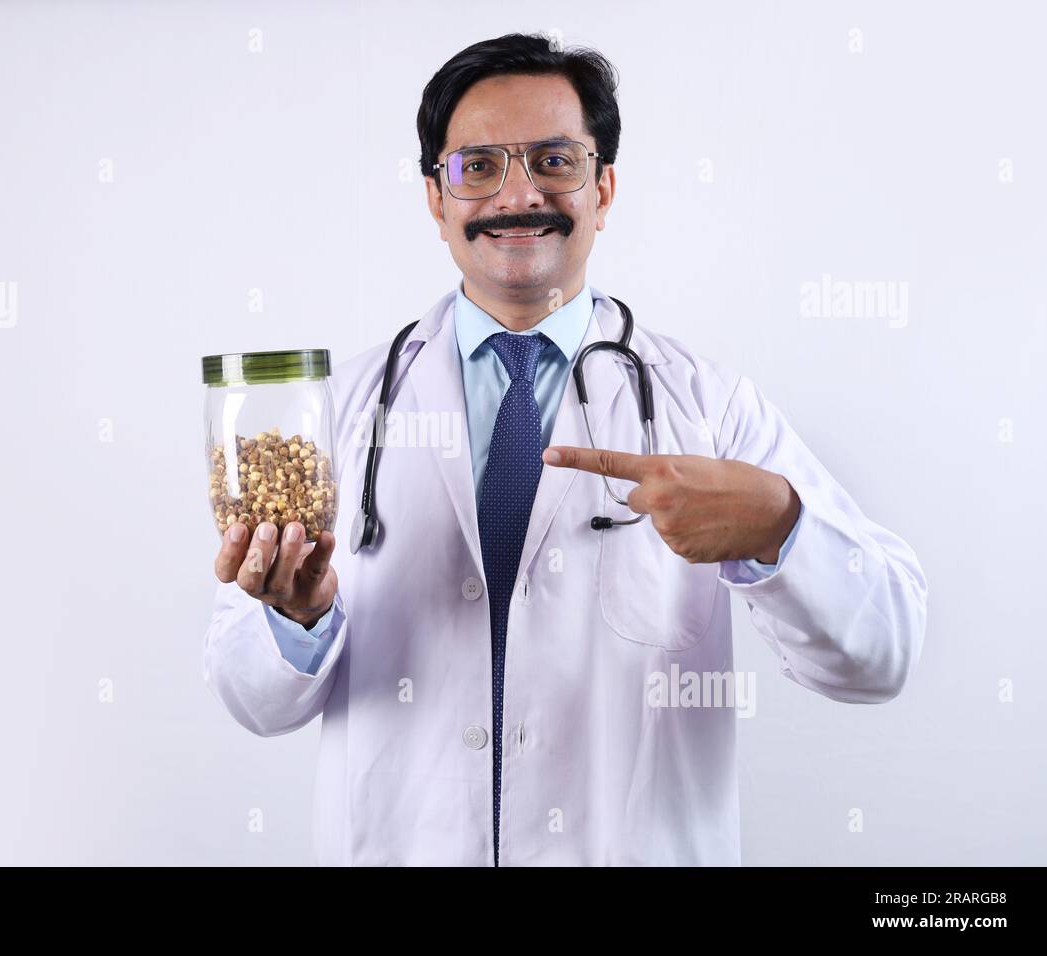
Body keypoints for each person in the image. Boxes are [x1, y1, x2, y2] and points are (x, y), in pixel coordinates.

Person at [202, 33, 927, 866]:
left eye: (554, 160)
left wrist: (779, 528)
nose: (519, 194)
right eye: (478, 167)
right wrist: (295, 618)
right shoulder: (344, 413)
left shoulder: (708, 407)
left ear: (604, 188)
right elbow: (252, 698)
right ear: (436, 199)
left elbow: (885, 654)